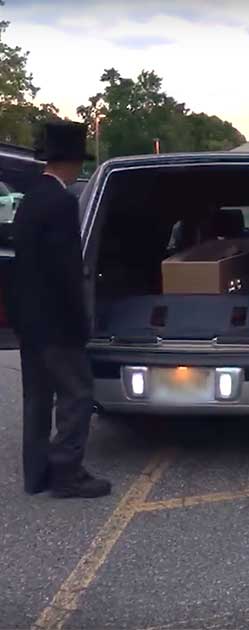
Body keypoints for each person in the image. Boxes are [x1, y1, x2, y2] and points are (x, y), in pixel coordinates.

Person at [13, 120, 111, 498]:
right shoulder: (62, 202)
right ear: (70, 162)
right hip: (57, 323)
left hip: (29, 321)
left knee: (37, 397)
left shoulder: (31, 197)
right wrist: (81, 321)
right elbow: (67, 270)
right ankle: (68, 473)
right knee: (76, 394)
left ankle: (36, 474)